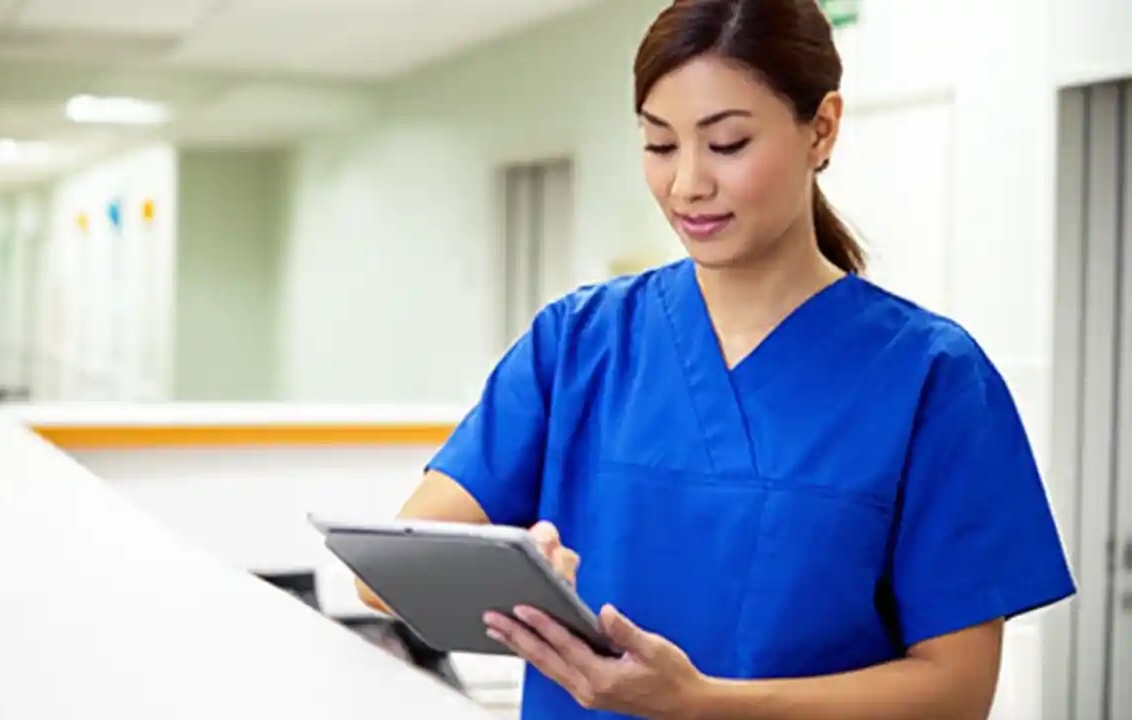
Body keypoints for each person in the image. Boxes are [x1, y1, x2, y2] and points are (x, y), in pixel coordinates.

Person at [358, 0, 1076, 717]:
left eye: (727, 144)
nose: (687, 184)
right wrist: (516, 574)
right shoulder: (577, 344)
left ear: (822, 128)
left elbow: (956, 692)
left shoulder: (931, 379)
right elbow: (384, 574)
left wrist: (703, 702)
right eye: (660, 145)